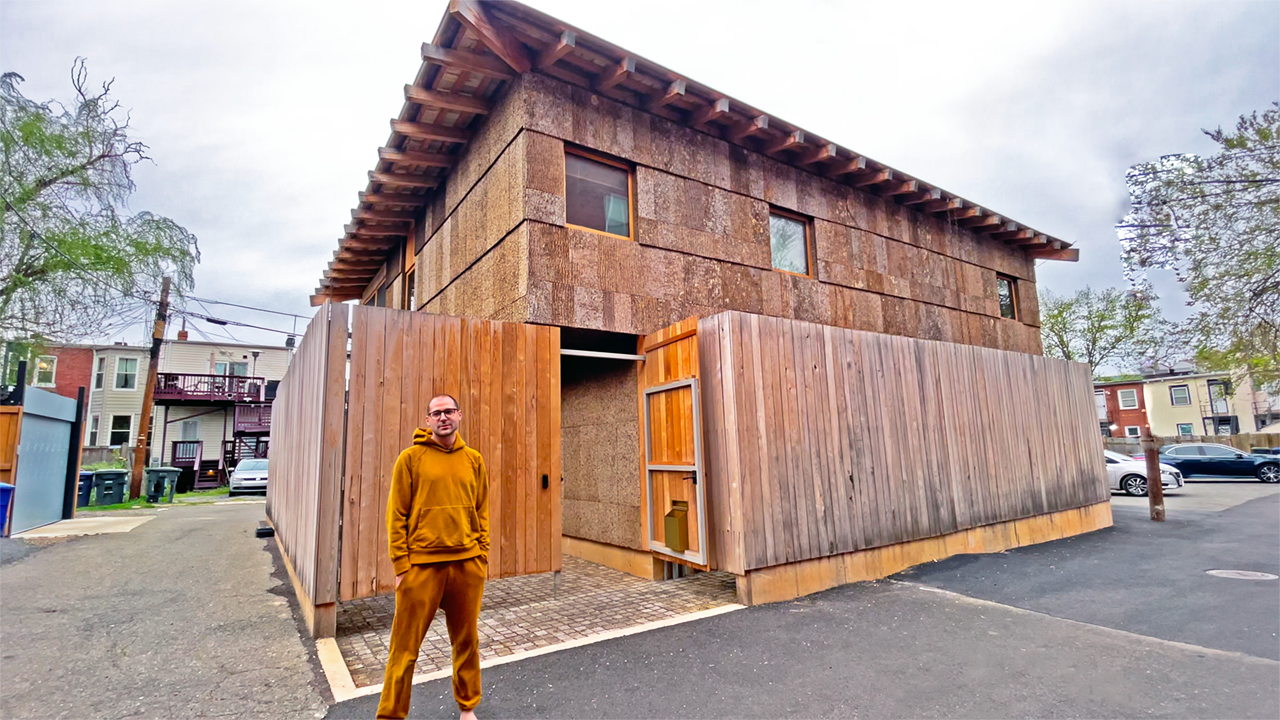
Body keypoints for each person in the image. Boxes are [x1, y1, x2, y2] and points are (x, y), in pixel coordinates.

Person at [377, 394, 489, 720]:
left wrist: (481, 556)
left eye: (449, 411)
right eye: (436, 413)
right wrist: (401, 566)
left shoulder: (474, 460)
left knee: (467, 642)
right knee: (404, 649)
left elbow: (482, 511)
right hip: (421, 567)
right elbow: (396, 515)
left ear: (460, 416)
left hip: (467, 565)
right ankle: (390, 716)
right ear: (427, 420)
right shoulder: (410, 459)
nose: (443, 417)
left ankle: (468, 709)